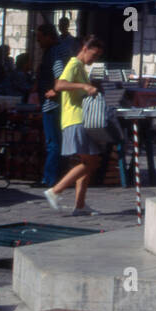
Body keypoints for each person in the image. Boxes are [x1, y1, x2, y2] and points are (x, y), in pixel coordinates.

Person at [43, 34, 105, 215]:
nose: (94, 59)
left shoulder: (81, 68)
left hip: (80, 119)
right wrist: (85, 87)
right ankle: (55, 190)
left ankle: (80, 205)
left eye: (98, 57)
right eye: (94, 55)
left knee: (88, 161)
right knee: (91, 161)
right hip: (75, 119)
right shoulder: (74, 64)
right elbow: (60, 84)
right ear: (84, 49)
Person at [36, 22, 70, 187]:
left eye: (40, 38)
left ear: (49, 37)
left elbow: (59, 73)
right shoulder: (61, 48)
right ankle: (60, 175)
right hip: (60, 104)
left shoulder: (55, 52)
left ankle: (49, 178)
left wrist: (55, 91)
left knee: (53, 143)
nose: (38, 42)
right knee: (59, 142)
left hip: (52, 105)